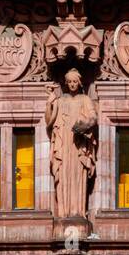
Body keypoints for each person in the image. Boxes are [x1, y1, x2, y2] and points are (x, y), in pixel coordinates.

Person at [45, 65, 98, 222]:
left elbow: (93, 117)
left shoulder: (85, 99)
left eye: (75, 81)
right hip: (64, 143)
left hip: (78, 144)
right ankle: (63, 212)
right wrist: (50, 102)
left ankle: (78, 211)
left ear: (80, 83)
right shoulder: (61, 100)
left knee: (77, 176)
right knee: (63, 175)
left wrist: (84, 124)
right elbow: (50, 121)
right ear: (66, 83)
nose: (73, 84)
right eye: (70, 82)